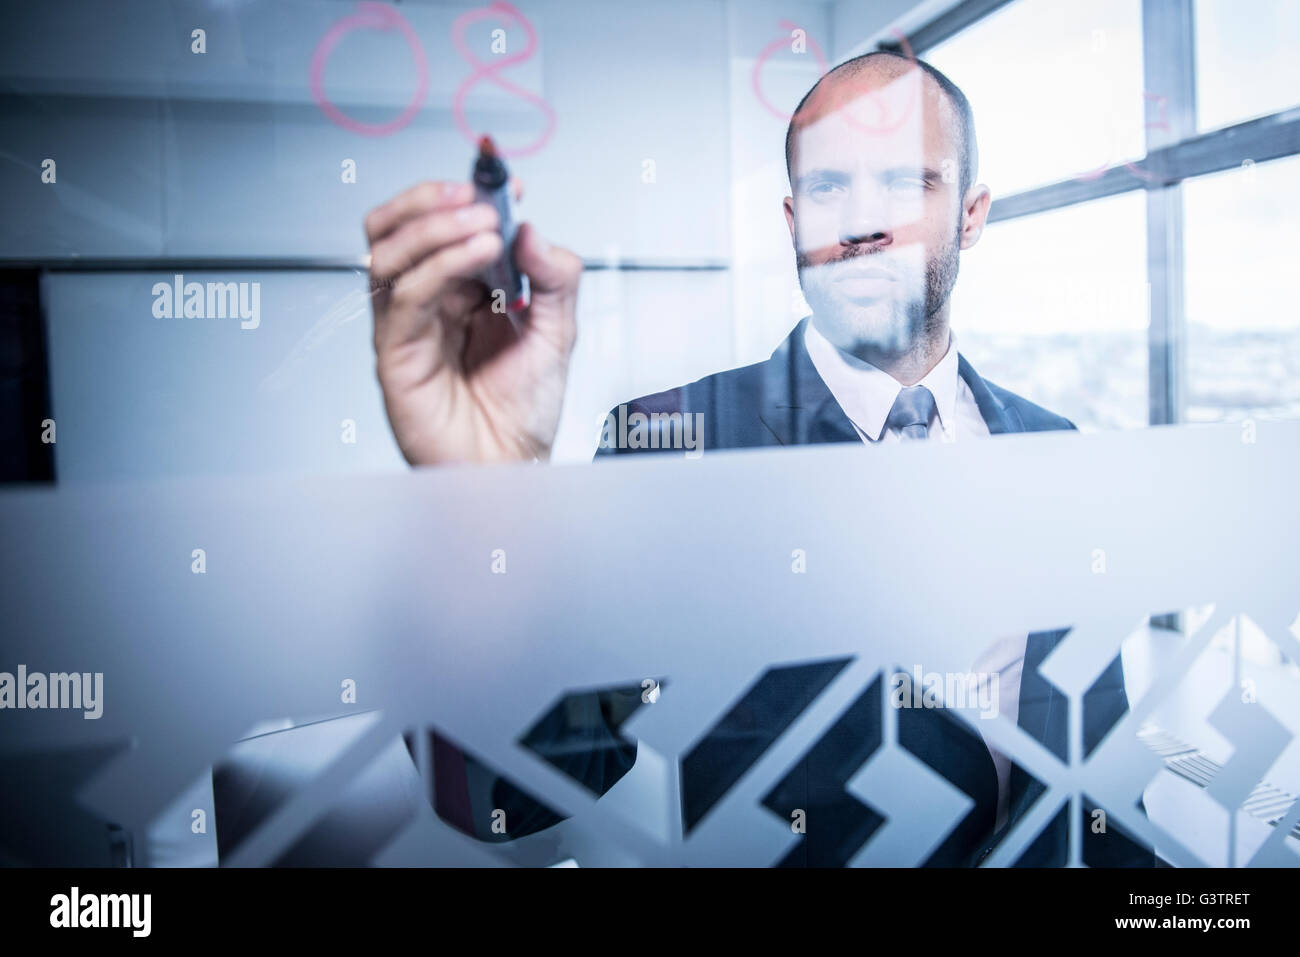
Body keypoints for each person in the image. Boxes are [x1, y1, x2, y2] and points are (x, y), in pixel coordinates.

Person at [364, 51, 1155, 866]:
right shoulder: (674, 444)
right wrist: (478, 506)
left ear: (971, 213)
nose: (860, 221)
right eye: (826, 188)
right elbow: (512, 789)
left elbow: (1099, 791)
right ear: (793, 222)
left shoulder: (1051, 450)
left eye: (906, 182)